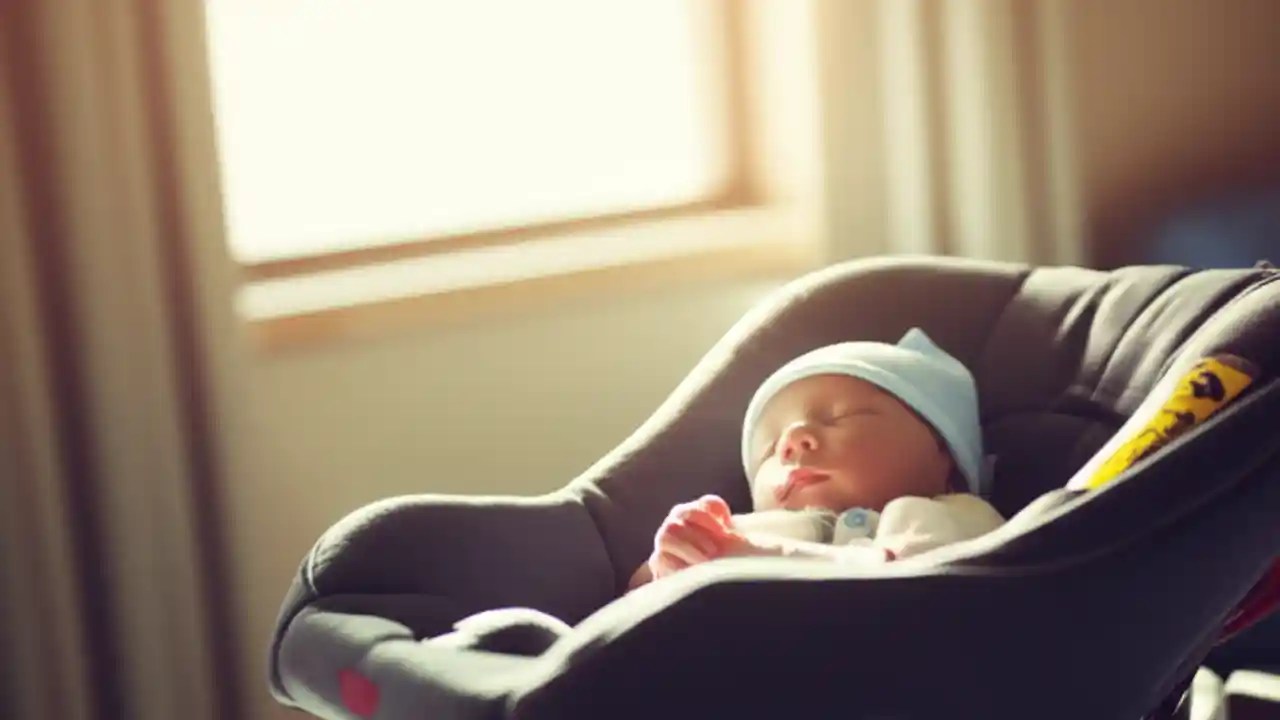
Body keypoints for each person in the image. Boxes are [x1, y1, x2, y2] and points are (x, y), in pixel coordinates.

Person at [629, 327, 1005, 589]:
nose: (791, 441)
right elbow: (632, 606)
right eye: (769, 449)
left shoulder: (953, 514)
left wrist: (760, 557)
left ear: (943, 453)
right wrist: (673, 555)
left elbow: (905, 581)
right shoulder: (746, 529)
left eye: (839, 417)